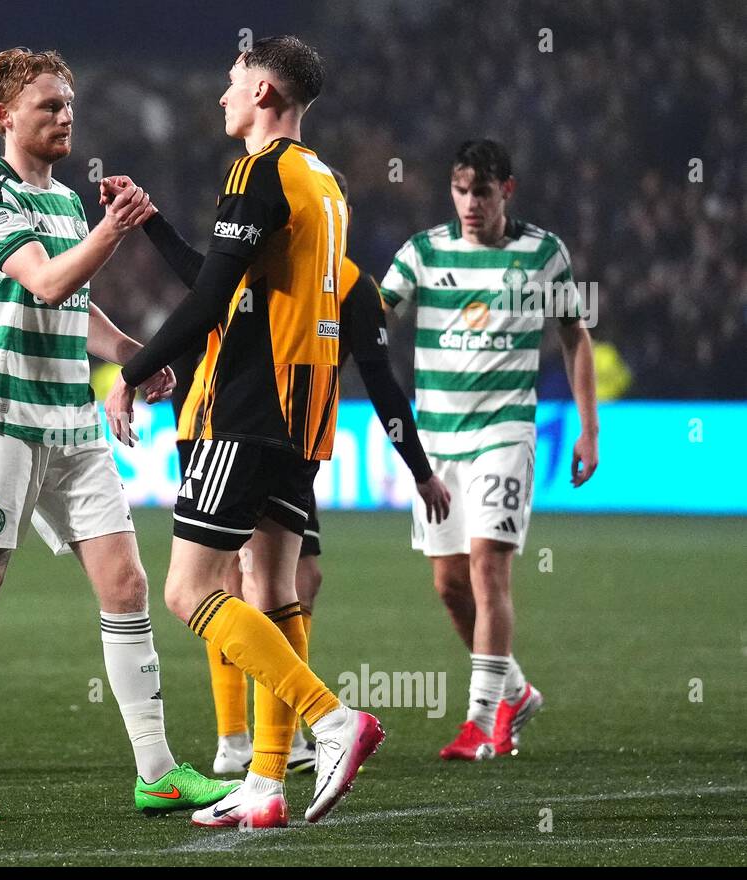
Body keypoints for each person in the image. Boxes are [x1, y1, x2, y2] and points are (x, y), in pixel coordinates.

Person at [0, 48, 238, 822]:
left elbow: (75, 309)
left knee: (128, 584)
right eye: (47, 106)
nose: (64, 117)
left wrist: (135, 354)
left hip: (73, 416)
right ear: (5, 116)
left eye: (67, 104)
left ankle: (158, 771)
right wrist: (116, 228)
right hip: (0, 416)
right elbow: (46, 279)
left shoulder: (65, 203)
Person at [106, 36, 382, 829]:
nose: (223, 96)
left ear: (264, 91)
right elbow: (230, 280)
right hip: (304, 417)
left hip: (246, 411)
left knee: (191, 589)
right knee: (272, 590)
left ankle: (331, 721)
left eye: (231, 83)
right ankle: (265, 779)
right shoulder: (323, 182)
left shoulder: (259, 172)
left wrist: (132, 371)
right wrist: (156, 225)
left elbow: (209, 303)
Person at [118, 167, 449, 775]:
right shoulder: (277, 255)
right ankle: (241, 738)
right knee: (227, 580)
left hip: (278, 427)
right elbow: (205, 284)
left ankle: (280, 748)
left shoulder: (348, 286)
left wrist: (419, 468)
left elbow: (381, 383)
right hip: (231, 423)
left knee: (283, 581)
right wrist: (154, 224)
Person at [378, 139, 599, 759]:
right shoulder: (423, 253)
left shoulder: (542, 254)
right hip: (437, 442)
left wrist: (590, 428)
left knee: (487, 565)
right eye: (460, 190)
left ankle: (479, 721)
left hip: (505, 432)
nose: (469, 204)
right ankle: (516, 691)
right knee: (450, 583)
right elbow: (373, 319)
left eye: (481, 191)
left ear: (507, 189)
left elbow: (574, 337)